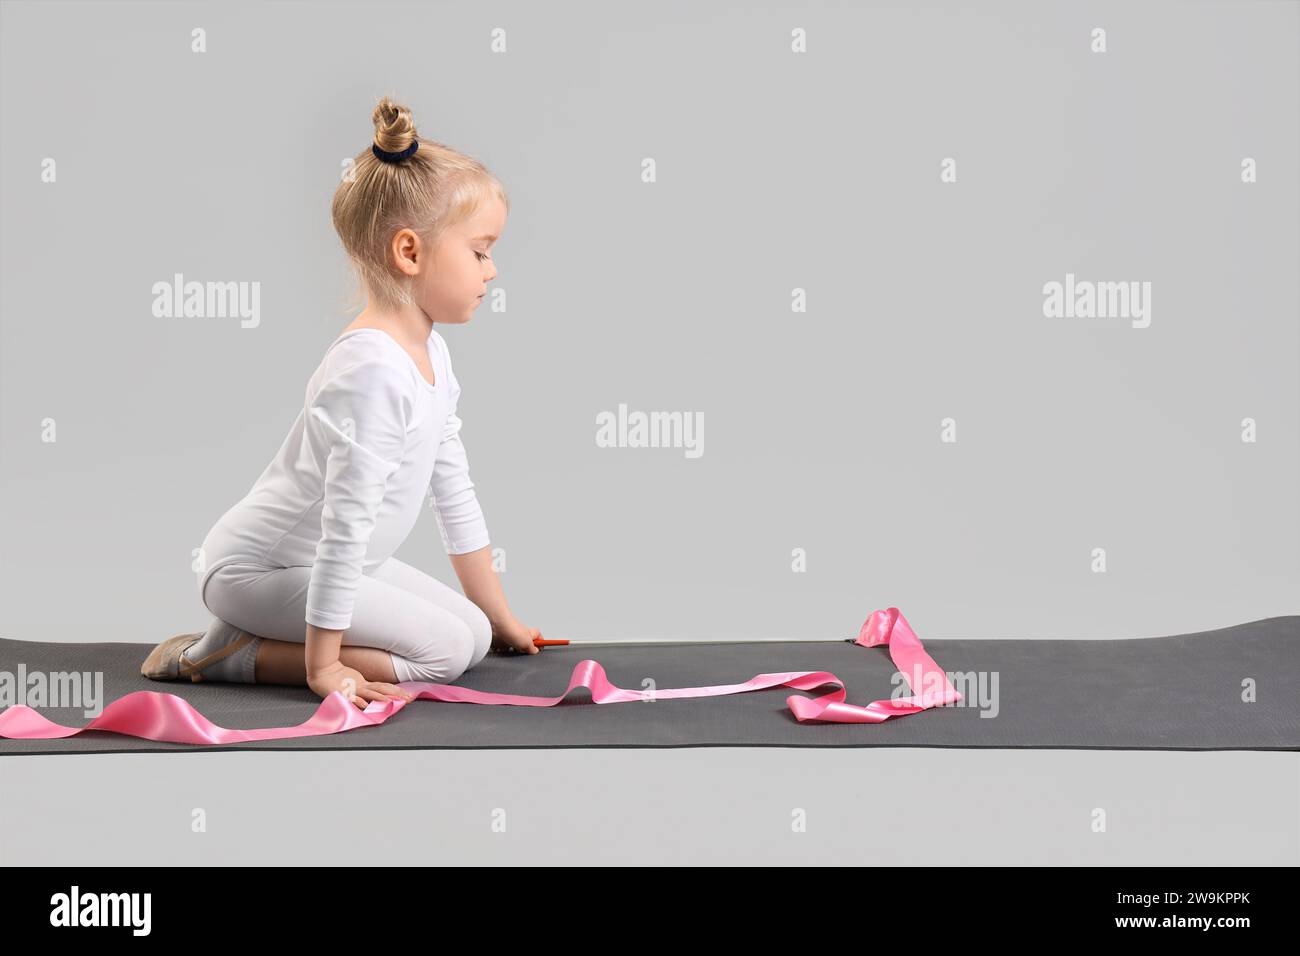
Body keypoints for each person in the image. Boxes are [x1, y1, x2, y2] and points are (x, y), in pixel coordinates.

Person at [141, 95, 543, 710]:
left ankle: (265, 641)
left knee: (475, 636)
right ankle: (229, 654)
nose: (493, 271)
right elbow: (344, 527)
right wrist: (323, 667)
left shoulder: (431, 355)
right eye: (481, 251)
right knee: (444, 655)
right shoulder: (371, 371)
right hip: (256, 575)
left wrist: (502, 617)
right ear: (409, 253)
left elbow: (453, 491)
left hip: (334, 567)